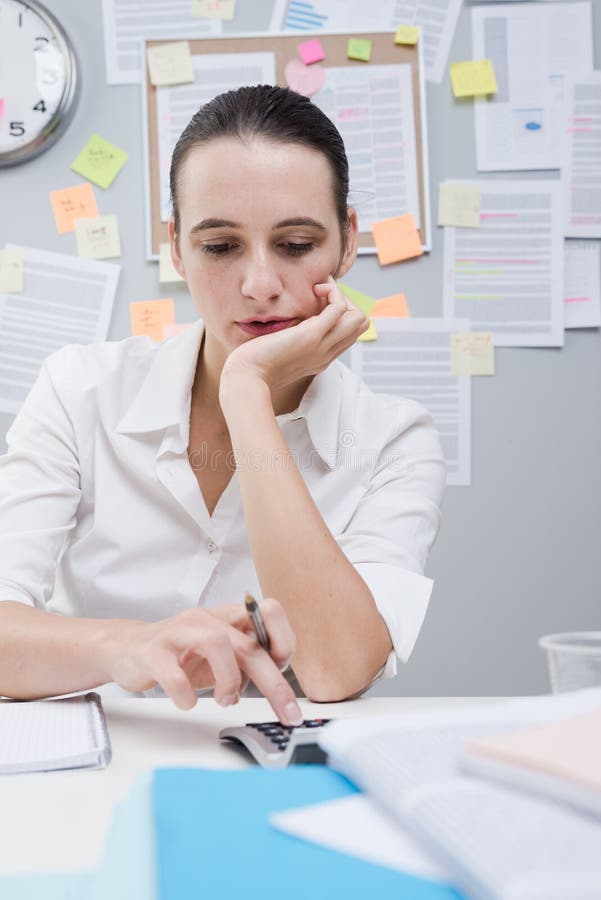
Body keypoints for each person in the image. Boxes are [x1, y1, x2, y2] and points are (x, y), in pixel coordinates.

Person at [0, 85, 445, 723]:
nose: (261, 286)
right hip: (89, 764)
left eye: (295, 245)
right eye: (220, 247)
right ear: (176, 246)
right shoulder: (80, 392)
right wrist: (129, 645)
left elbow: (338, 668)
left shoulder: (396, 440)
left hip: (279, 771)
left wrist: (247, 395)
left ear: (347, 242)